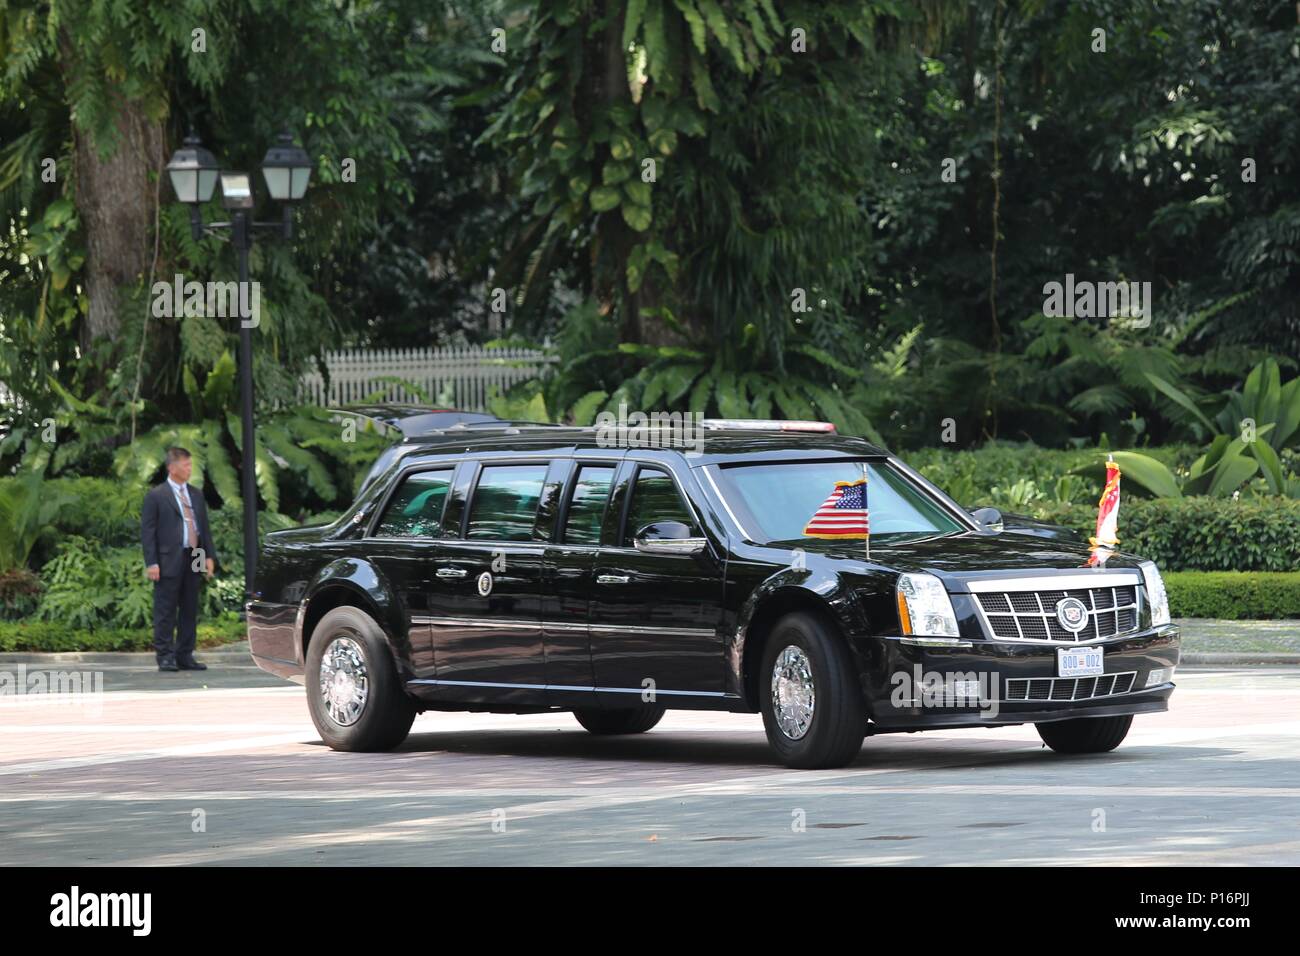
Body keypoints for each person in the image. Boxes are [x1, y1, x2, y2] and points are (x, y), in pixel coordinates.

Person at [141, 447, 217, 672]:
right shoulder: (156, 495)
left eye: (190, 465)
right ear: (172, 467)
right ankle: (165, 656)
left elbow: (203, 528)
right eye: (186, 465)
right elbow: (148, 532)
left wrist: (208, 556)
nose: (189, 469)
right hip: (167, 560)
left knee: (190, 608)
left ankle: (185, 655)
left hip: (194, 554)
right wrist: (151, 562)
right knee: (165, 609)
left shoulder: (195, 493)